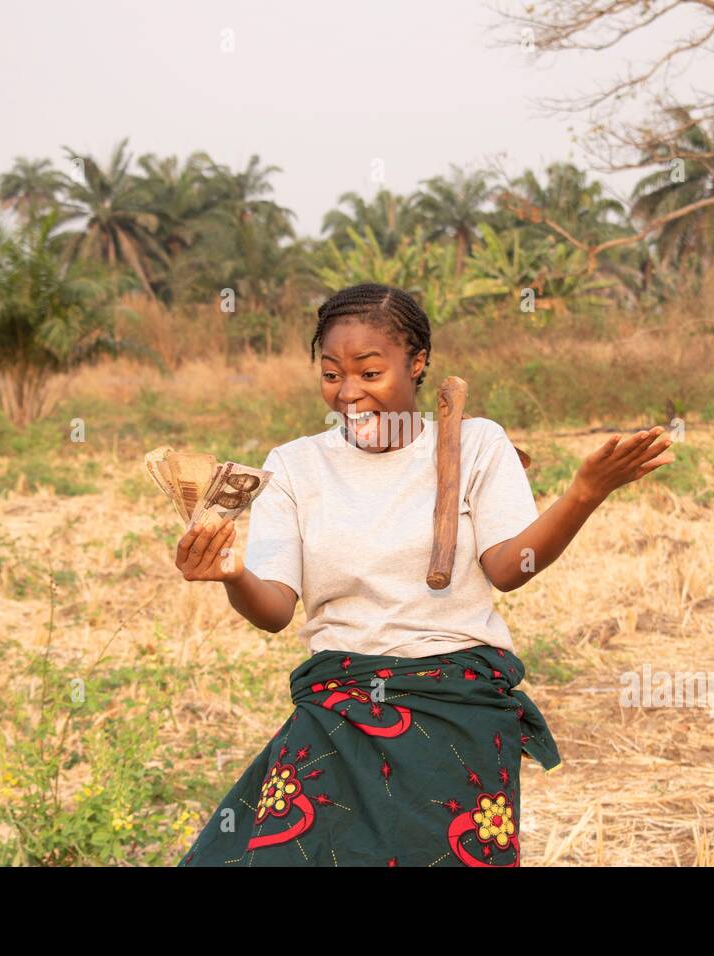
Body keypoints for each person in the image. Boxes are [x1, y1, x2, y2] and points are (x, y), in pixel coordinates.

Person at [174, 282, 673, 866]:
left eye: (369, 372)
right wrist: (233, 575)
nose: (349, 394)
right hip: (338, 708)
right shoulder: (294, 465)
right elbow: (275, 608)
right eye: (332, 374)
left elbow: (511, 568)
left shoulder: (477, 444)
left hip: (454, 708)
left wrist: (585, 493)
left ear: (416, 364)